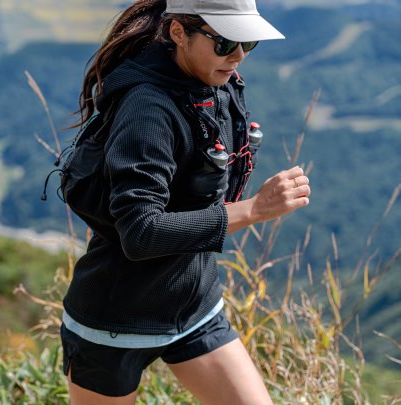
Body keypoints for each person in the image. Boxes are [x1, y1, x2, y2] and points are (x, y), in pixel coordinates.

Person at [60, 0, 311, 403]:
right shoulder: (147, 109)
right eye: (225, 42)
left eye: (248, 42)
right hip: (115, 322)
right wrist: (254, 210)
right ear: (178, 32)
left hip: (195, 309)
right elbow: (140, 233)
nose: (238, 56)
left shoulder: (214, 83)